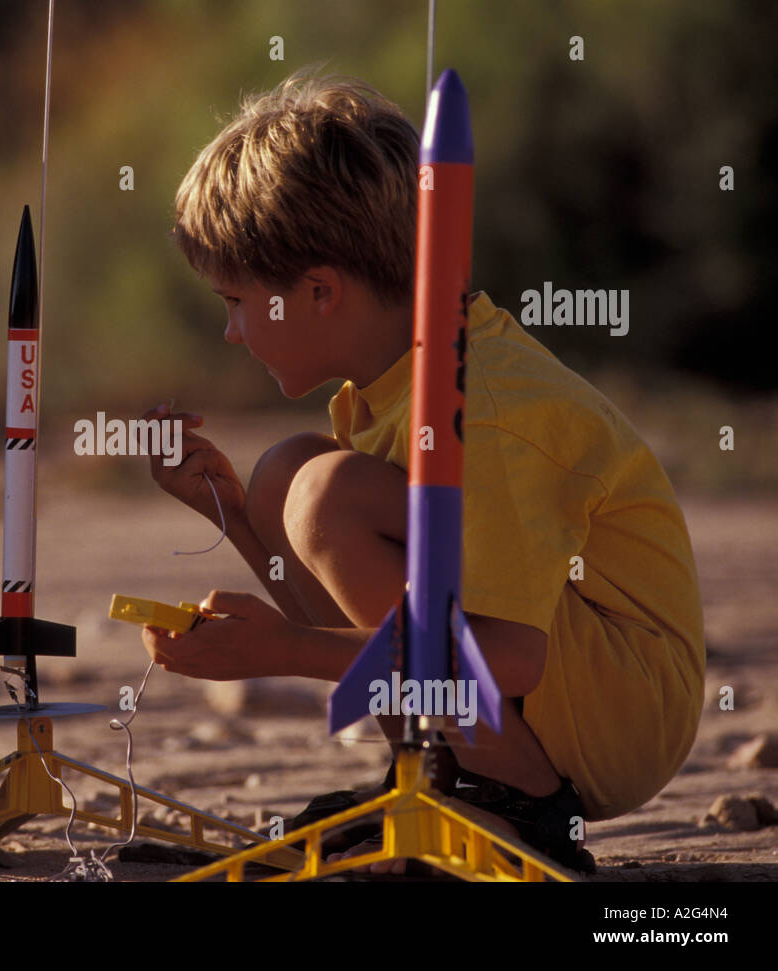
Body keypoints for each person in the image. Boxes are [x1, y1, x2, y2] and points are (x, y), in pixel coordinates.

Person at [140, 71, 704, 874]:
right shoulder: (386, 386)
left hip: (619, 707)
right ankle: (438, 769)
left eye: (237, 302)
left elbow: (512, 659)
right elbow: (371, 607)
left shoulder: (489, 400)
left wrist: (288, 650)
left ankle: (508, 797)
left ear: (322, 291)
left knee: (320, 495)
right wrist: (230, 514)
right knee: (281, 479)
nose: (231, 333)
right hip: (555, 687)